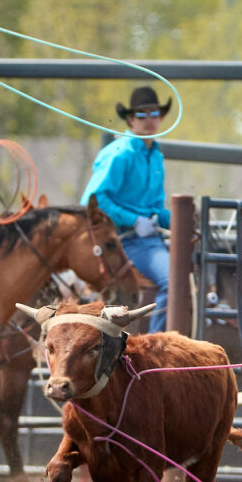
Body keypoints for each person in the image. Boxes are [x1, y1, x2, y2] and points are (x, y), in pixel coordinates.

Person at [82, 86, 174, 333]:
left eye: (154, 114)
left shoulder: (156, 157)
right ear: (131, 120)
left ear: (162, 119)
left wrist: (180, 220)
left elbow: (156, 206)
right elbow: (93, 200)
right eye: (141, 115)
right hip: (124, 240)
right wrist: (133, 220)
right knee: (173, 281)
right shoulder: (119, 155)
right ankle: (159, 347)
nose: (149, 120)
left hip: (149, 239)